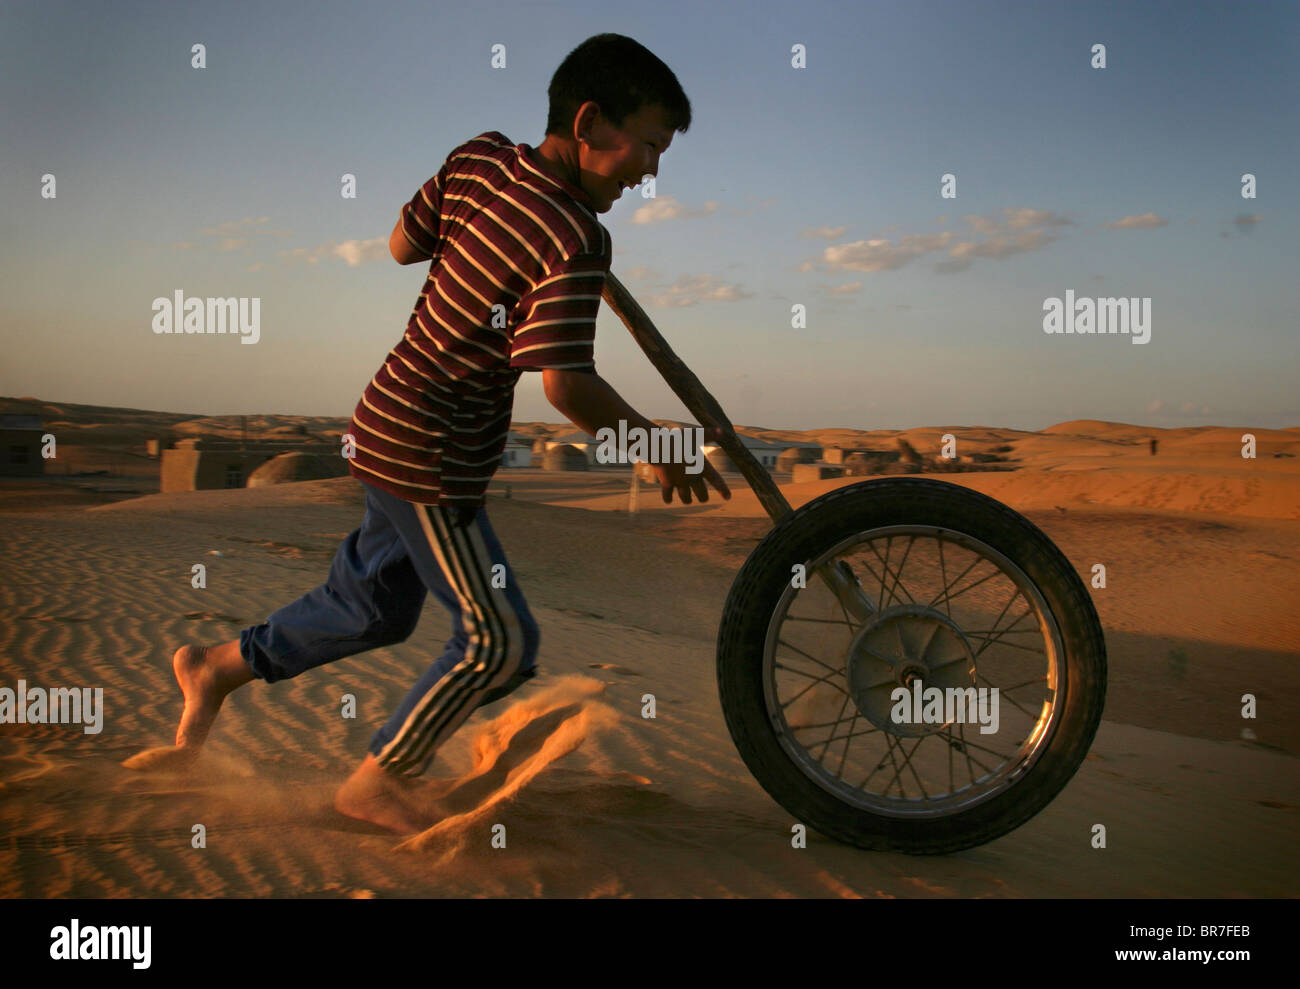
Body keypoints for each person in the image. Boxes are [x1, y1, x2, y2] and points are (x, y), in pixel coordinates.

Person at [129, 34, 730, 833]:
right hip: (430, 453)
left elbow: (401, 244)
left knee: (373, 607)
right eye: (649, 145)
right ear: (590, 122)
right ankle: (376, 781)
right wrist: (661, 445)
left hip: (381, 423)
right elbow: (566, 383)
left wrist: (473, 236)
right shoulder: (577, 238)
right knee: (501, 641)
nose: (651, 170)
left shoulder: (480, 157)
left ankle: (214, 667)